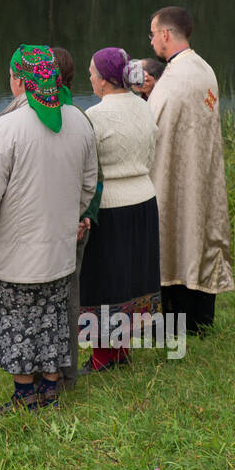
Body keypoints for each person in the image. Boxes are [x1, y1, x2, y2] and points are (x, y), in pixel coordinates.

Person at [0, 45, 97, 412]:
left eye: (11, 76)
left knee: (18, 322)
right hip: (59, 250)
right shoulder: (78, 120)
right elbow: (88, 184)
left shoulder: (5, 129)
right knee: (50, 319)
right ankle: (51, 390)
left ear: (20, 80)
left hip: (15, 254)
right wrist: (71, 218)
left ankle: (25, 396)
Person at [147, 7, 234, 334]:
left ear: (166, 35)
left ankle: (174, 325)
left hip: (173, 181)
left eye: (154, 34)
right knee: (198, 238)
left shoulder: (172, 82)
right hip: (204, 177)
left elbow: (149, 133)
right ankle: (201, 319)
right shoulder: (204, 70)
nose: (153, 40)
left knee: (173, 241)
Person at [80, 48, 161, 371]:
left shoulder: (94, 117)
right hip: (143, 198)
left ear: (103, 80)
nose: (89, 77)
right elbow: (152, 153)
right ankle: (122, 351)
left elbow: (87, 169)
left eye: (92, 72)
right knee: (132, 277)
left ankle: (102, 358)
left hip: (111, 205)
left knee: (103, 279)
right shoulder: (145, 108)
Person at [50, 46, 100, 392]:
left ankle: (44, 374)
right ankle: (65, 374)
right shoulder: (82, 118)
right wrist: (87, 217)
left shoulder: (49, 118)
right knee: (70, 296)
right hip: (76, 225)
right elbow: (95, 178)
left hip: (51, 228)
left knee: (46, 300)